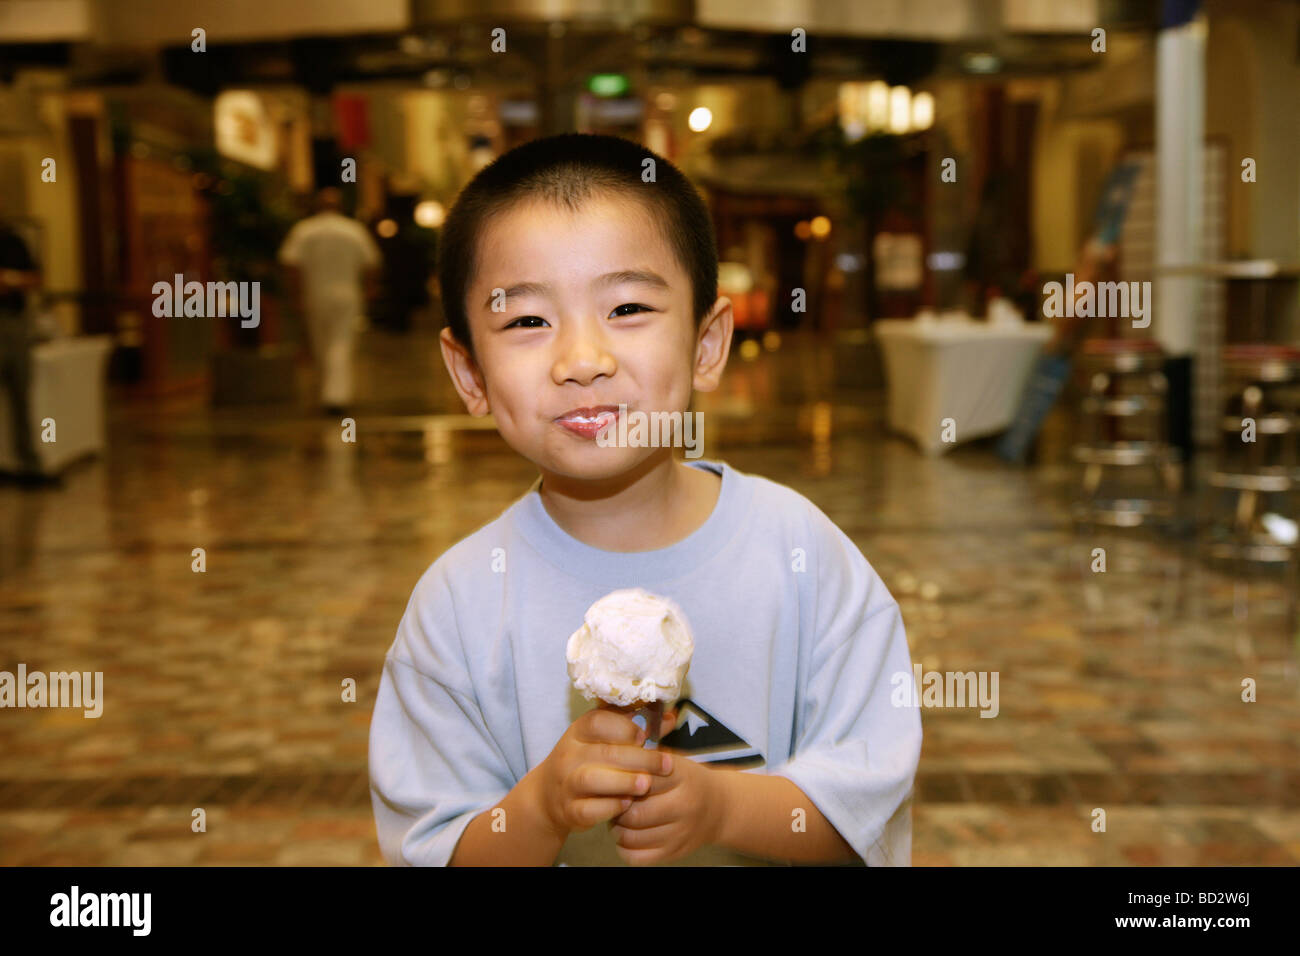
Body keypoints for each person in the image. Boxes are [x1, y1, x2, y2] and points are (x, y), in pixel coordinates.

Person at [368, 134, 921, 866]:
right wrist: (538, 809)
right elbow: (435, 851)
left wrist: (723, 805)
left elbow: (864, 818)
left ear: (707, 343)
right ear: (468, 373)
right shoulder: (457, 607)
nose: (583, 361)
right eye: (528, 321)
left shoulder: (801, 554)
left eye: (627, 307)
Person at [278, 187, 380, 415]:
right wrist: (369, 289)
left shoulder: (304, 230)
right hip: (347, 294)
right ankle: (334, 393)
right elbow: (372, 263)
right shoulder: (353, 230)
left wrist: (295, 296)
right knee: (340, 342)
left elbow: (291, 265)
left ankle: (332, 394)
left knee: (322, 342)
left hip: (315, 293)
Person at [0, 219, 47, 482]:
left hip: (15, 321)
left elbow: (36, 277)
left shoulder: (13, 240)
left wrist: (12, 280)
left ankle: (29, 463)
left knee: (21, 393)